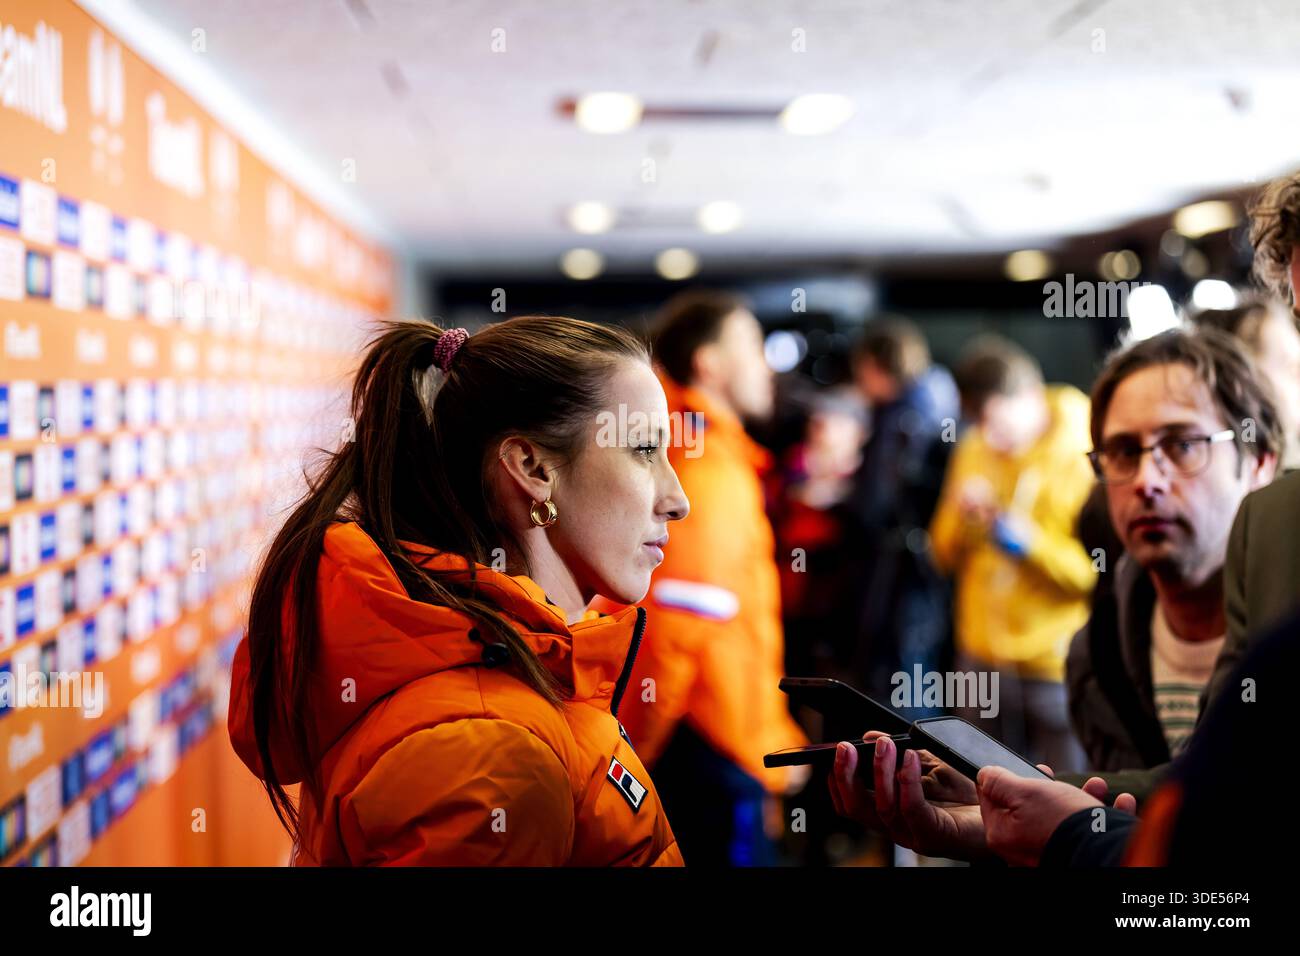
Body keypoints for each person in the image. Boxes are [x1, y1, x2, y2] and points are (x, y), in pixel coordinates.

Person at [227, 317, 691, 866]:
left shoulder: (504, 697)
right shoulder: (490, 752)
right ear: (532, 467)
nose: (677, 498)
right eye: (643, 449)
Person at [610, 289, 808, 866]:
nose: (766, 364)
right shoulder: (705, 464)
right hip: (710, 743)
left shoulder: (700, 449)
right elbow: (676, 621)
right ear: (709, 363)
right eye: (751, 345)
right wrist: (635, 751)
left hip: (708, 735)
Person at [928, 336, 1096, 772]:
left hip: (1052, 666)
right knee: (975, 795)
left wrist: (1030, 544)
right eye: (979, 423)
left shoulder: (1084, 454)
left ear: (1030, 396)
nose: (990, 437)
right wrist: (965, 521)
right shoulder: (974, 447)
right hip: (979, 657)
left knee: (1065, 801)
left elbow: (1095, 577)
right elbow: (940, 554)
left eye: (996, 422)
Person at [843, 318, 958, 715]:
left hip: (899, 572)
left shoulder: (900, 417)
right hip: (927, 569)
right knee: (917, 675)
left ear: (877, 365)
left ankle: (907, 772)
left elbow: (875, 503)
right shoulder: (942, 402)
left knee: (901, 682)